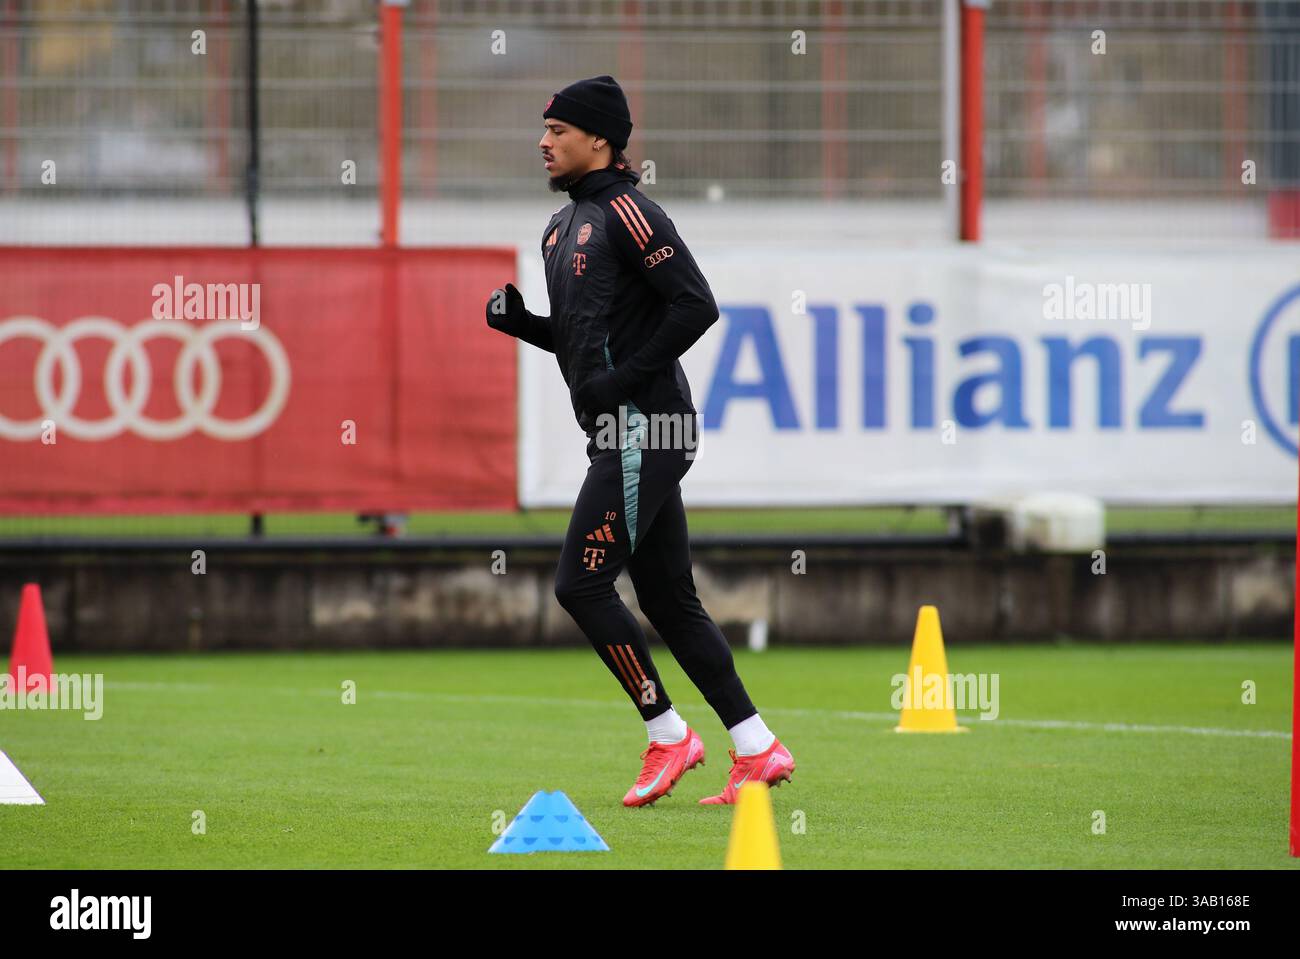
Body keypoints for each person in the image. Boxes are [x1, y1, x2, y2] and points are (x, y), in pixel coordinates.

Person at [485, 75, 794, 807]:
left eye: (557, 130)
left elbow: (696, 305)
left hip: (647, 427)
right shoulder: (560, 229)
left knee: (580, 583)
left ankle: (668, 733)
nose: (543, 141)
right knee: (667, 596)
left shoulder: (629, 209)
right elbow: (586, 338)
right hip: (621, 431)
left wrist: (622, 383)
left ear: (599, 140)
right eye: (544, 129)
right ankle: (757, 747)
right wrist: (525, 324)